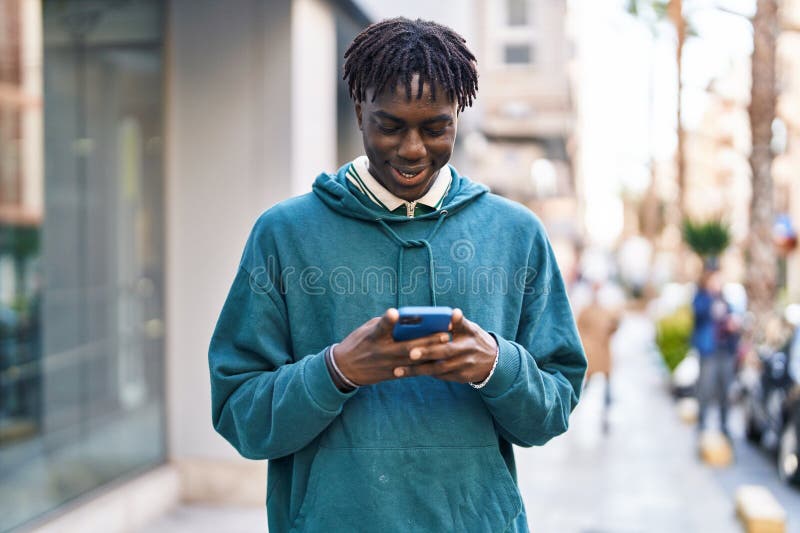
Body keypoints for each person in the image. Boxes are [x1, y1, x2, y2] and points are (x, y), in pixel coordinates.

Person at [208, 17, 586, 532]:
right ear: (359, 109)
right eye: (391, 126)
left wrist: (496, 366)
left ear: (458, 117)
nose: (413, 149)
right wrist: (338, 369)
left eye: (436, 128)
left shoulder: (516, 234)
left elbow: (553, 410)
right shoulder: (285, 234)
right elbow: (239, 415)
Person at [691, 268, 739, 438]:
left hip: (725, 350)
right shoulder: (702, 297)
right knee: (706, 387)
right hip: (709, 350)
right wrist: (711, 300)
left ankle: (724, 425)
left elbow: (731, 316)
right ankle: (702, 423)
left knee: (725, 389)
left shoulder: (725, 299)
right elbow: (699, 313)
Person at [576, 282, 620, 433]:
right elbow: (578, 329)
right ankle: (575, 405)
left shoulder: (606, 310)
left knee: (606, 384)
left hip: (602, 351)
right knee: (588, 383)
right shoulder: (586, 310)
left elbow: (614, 327)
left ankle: (606, 413)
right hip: (592, 352)